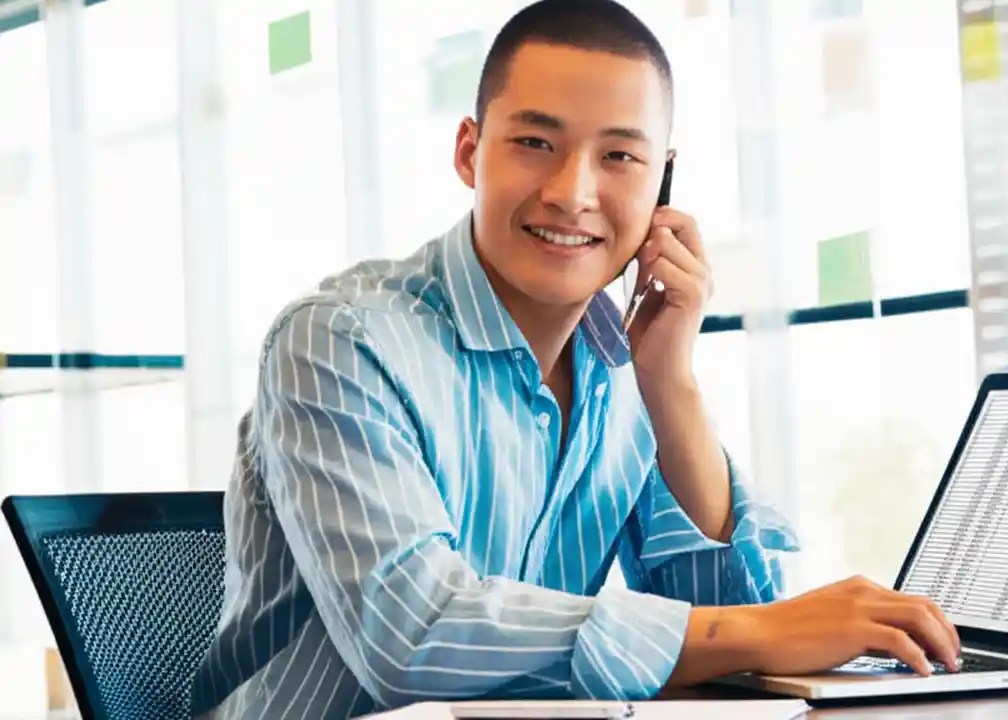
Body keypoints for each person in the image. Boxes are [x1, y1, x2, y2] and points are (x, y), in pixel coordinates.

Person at [190, 1, 960, 718]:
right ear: (469, 151)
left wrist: (671, 385)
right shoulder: (341, 342)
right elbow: (413, 635)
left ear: (662, 182)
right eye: (535, 143)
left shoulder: (625, 367)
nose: (572, 191)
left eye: (620, 155)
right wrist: (758, 634)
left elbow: (737, 625)